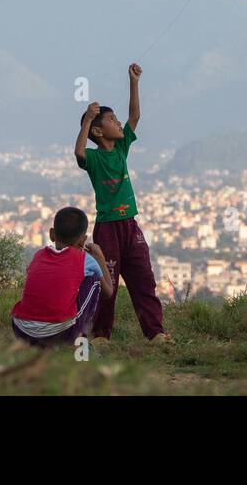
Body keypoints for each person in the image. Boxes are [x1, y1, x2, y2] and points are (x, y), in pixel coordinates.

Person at [75, 63, 170, 342]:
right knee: (109, 283)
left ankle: (156, 332)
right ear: (98, 132)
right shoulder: (94, 158)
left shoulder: (121, 147)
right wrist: (86, 121)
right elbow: (79, 151)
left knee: (144, 279)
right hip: (107, 228)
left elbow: (135, 116)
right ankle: (102, 334)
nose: (118, 122)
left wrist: (133, 82)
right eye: (111, 120)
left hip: (130, 225)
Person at [10, 205, 113, 347]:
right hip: (58, 335)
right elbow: (108, 292)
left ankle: (40, 347)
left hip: (21, 331)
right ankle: (82, 349)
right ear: (83, 240)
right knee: (93, 281)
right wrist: (100, 257)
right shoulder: (85, 259)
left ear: (52, 234)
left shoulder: (39, 255)